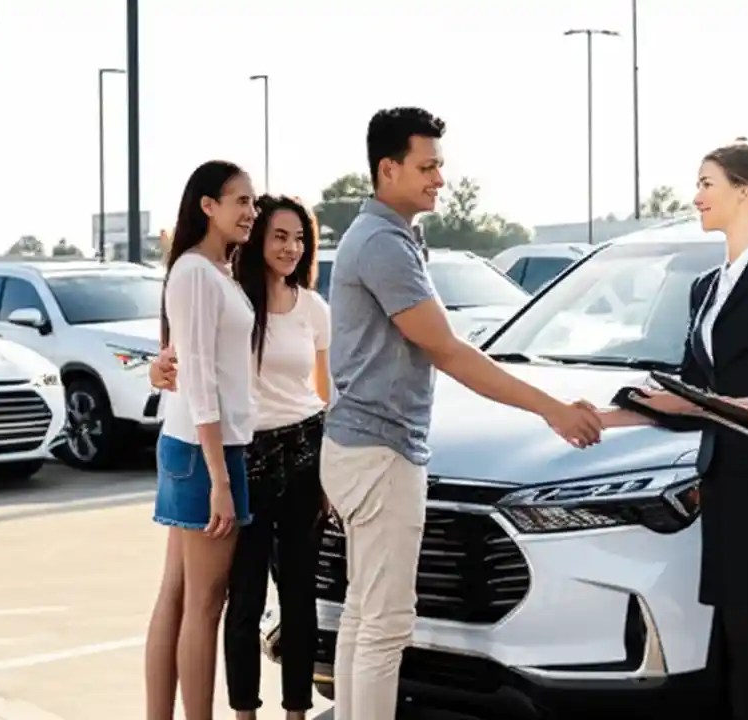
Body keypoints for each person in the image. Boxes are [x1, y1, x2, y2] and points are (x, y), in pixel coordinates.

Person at [322, 106, 602, 720]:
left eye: (440, 167)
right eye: (427, 167)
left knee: (364, 611)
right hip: (380, 451)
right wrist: (551, 409)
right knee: (386, 622)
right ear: (387, 168)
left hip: (360, 446)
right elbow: (447, 349)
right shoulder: (383, 244)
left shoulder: (386, 237)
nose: (439, 180)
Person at [599, 140, 748, 719]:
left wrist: (710, 405)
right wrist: (602, 418)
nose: (696, 196)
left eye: (707, 183)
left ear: (743, 192)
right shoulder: (706, 287)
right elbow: (685, 394)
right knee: (743, 652)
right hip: (728, 486)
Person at [150, 194, 332, 719]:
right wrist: (157, 369)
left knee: (299, 596)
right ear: (256, 239)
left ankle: (296, 711)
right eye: (278, 235)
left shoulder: (313, 308)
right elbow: (188, 363)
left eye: (299, 238)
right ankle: (244, 713)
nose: (290, 247)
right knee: (243, 598)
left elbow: (326, 393)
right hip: (243, 452)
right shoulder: (235, 297)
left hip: (303, 452)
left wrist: (330, 473)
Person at [145, 159, 257, 720]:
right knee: (203, 604)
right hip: (204, 449)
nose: (251, 213)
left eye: (254, 203)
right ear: (207, 205)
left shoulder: (215, 270)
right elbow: (201, 378)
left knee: (180, 595)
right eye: (241, 201)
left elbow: (183, 364)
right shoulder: (196, 272)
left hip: (198, 443)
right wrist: (219, 478)